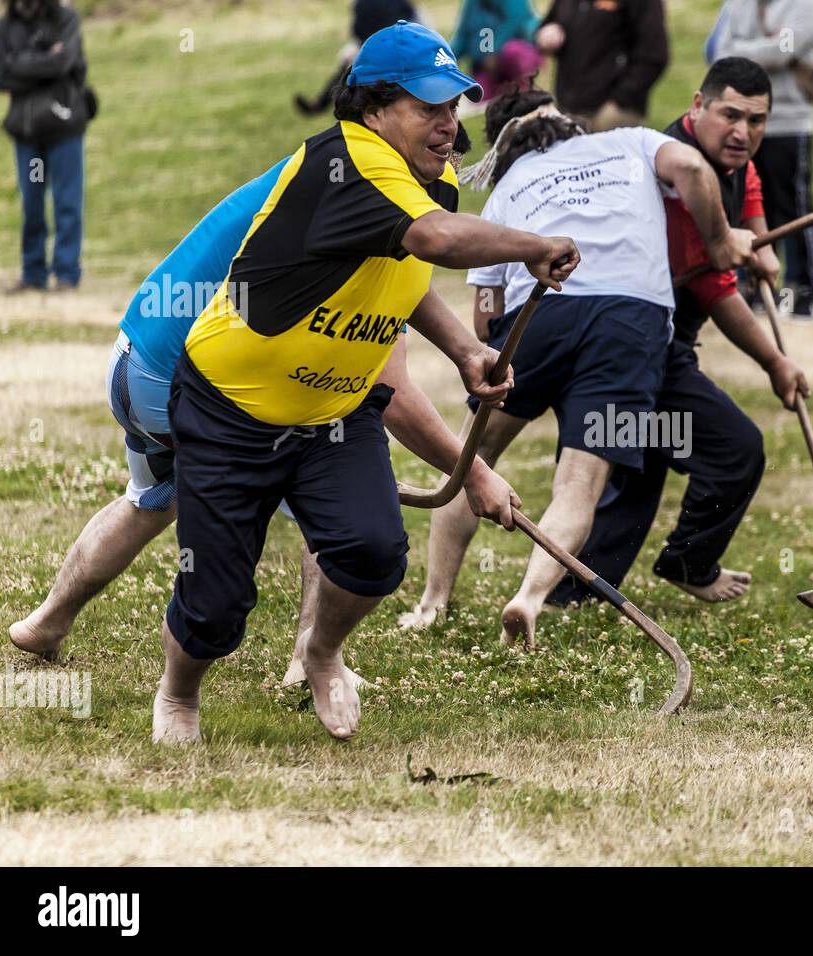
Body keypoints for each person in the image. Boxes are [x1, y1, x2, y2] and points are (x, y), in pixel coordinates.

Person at [154, 23, 581, 745]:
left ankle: (322, 653)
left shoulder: (425, 178)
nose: (450, 125)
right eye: (430, 108)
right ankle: (179, 694)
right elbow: (437, 242)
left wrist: (462, 348)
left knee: (374, 551)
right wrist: (534, 245)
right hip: (232, 408)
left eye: (456, 108)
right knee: (216, 600)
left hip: (335, 413)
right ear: (375, 107)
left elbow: (400, 271)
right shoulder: (347, 162)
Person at [8, 147, 497, 694]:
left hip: (136, 361)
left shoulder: (327, 175)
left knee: (151, 500)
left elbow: (403, 288)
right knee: (326, 492)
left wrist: (462, 347)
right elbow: (393, 392)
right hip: (200, 381)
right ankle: (305, 661)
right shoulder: (364, 202)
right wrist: (475, 473)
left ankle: (47, 620)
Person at [401, 87, 758, 645]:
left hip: (538, 315)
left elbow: (484, 313)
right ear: (572, 123)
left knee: (472, 461)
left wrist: (518, 353)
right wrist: (719, 243)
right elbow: (691, 165)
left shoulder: (509, 187)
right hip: (630, 321)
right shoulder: (631, 142)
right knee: (579, 484)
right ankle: (530, 597)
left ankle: (432, 603)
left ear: (503, 146)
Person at [549, 57, 807, 608]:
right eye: (730, 115)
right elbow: (716, 290)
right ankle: (671, 566)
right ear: (697, 105)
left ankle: (580, 589)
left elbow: (751, 196)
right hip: (631, 342)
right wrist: (775, 363)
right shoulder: (676, 173)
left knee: (641, 454)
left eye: (757, 121)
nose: (743, 132)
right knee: (733, 449)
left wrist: (760, 247)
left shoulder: (733, 162)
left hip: (651, 342)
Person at [710, 0, 813, 320]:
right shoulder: (738, 3)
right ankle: (754, 289)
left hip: (789, 121)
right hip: (743, 124)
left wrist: (741, 51)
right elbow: (719, 52)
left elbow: (784, 50)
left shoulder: (808, 4)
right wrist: (759, 49)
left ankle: (804, 293)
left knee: (794, 208)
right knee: (744, 205)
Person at [0, 0, 91, 293]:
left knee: (67, 203)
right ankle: (33, 273)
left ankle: (66, 274)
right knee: (32, 203)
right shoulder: (3, 28)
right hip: (27, 133)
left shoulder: (66, 19)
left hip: (64, 128)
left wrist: (20, 63)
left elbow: (65, 63)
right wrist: (45, 60)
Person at [534, 0, 668, 131]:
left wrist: (620, 101)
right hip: (568, 111)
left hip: (612, 113)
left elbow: (654, 55)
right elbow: (551, 23)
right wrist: (548, 32)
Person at [294, 0, 419, 115]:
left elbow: (359, 29)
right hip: (386, 43)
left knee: (348, 72)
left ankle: (320, 105)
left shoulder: (364, 3)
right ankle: (320, 105)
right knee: (347, 70)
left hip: (383, 44)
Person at [452, 0, 541, 102]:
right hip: (483, 65)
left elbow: (516, 21)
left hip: (513, 55)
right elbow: (462, 35)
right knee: (480, 98)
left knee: (512, 52)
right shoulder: (471, 4)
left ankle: (524, 92)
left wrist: (494, 51)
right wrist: (449, 60)